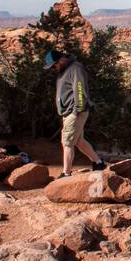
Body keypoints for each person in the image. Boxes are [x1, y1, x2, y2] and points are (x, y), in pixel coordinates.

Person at [44, 50, 106, 178]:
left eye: (54, 65)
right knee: (79, 141)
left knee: (67, 142)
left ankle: (66, 173)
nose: (53, 69)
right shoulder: (65, 69)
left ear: (61, 60)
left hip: (75, 111)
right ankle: (98, 163)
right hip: (70, 111)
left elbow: (79, 89)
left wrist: (77, 110)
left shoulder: (75, 68)